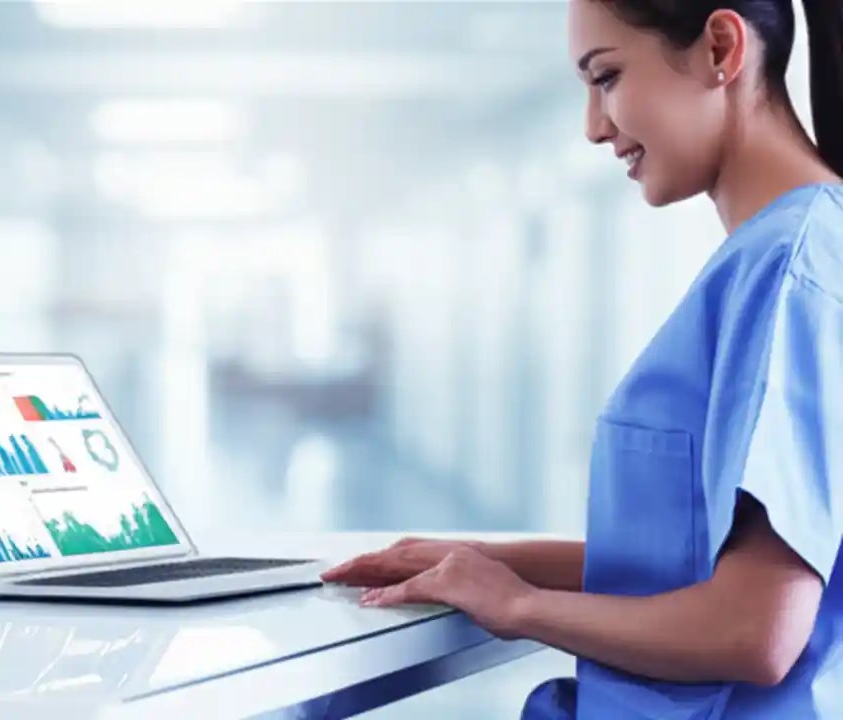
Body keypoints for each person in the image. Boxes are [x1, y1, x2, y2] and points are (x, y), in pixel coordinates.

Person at [321, 1, 843, 717]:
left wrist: (520, 605)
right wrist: (481, 560)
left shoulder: (793, 266)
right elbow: (687, 563)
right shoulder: (778, 255)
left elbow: (755, 630)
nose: (595, 126)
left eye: (607, 78)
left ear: (721, 48)